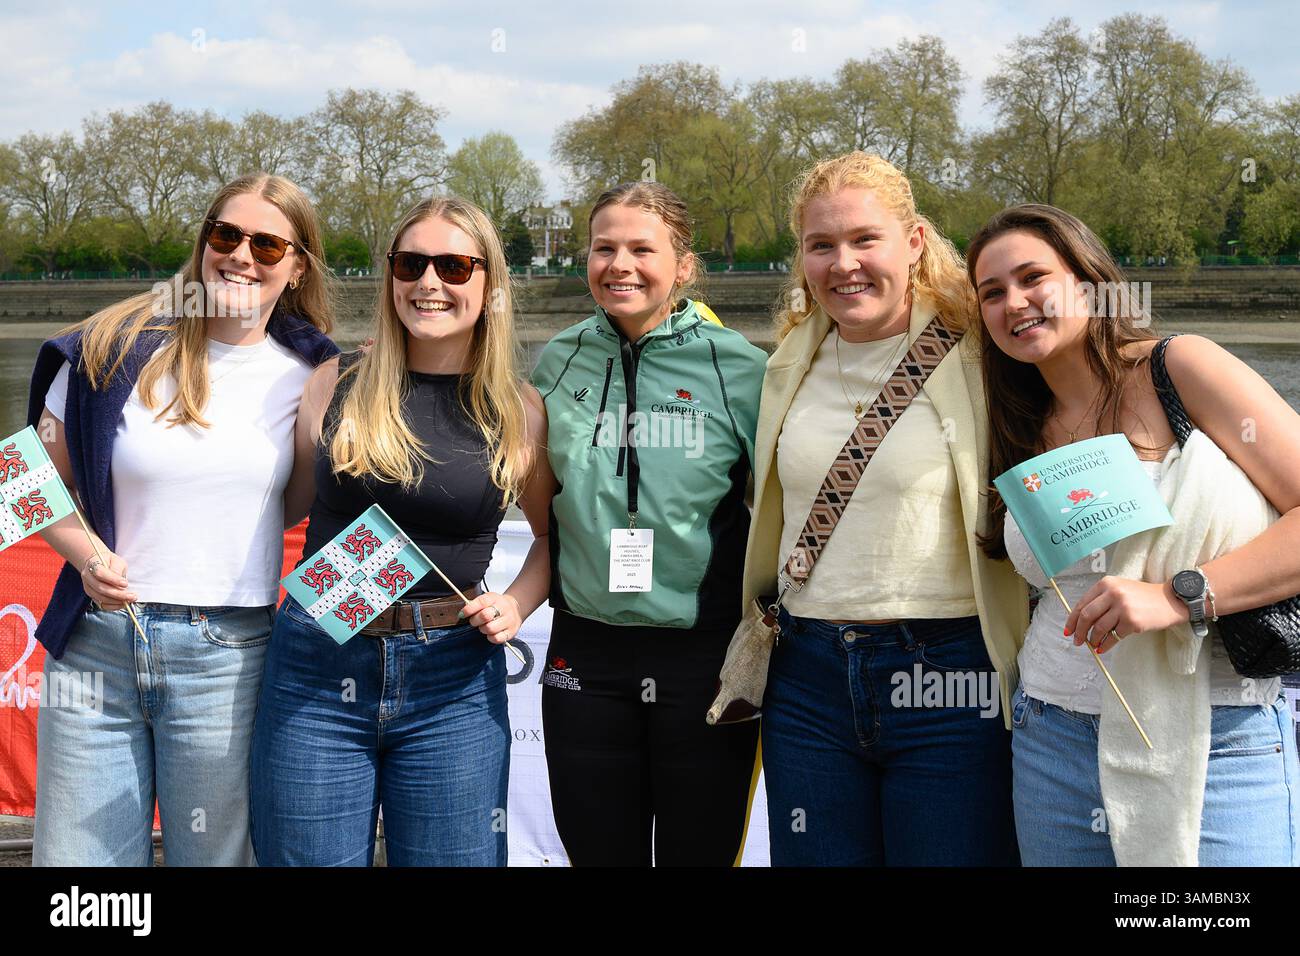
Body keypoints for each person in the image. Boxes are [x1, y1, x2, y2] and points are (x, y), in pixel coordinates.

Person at [967, 203, 1300, 866]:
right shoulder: (1012, 420)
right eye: (992, 293)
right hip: (1053, 741)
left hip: (1216, 737)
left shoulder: (1178, 367)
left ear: (1088, 282)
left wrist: (1180, 596)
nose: (1015, 302)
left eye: (1034, 277)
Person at [27, 173, 339, 865]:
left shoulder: (317, 375)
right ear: (203, 243)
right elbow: (20, 478)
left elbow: (303, 505)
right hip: (96, 647)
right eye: (225, 236)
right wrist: (85, 556)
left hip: (230, 659)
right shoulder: (108, 343)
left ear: (297, 266)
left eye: (266, 244)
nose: (241, 256)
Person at [740, 152, 1026, 866]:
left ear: (915, 242)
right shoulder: (786, 363)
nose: (845, 263)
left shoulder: (983, 358)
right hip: (806, 679)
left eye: (866, 239)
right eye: (821, 245)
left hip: (948, 674)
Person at [250, 197, 554, 867]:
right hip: (317, 662)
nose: (428, 283)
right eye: (410, 263)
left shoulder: (519, 408)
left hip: (453, 676)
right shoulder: (334, 381)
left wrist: (515, 602)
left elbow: (550, 538)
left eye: (453, 266)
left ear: (489, 284)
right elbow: (275, 505)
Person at [532, 181, 766, 866]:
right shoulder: (558, 359)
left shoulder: (741, 369)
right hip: (585, 654)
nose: (620, 265)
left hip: (705, 659)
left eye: (642, 248)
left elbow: (783, 504)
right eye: (604, 248)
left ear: (684, 266)